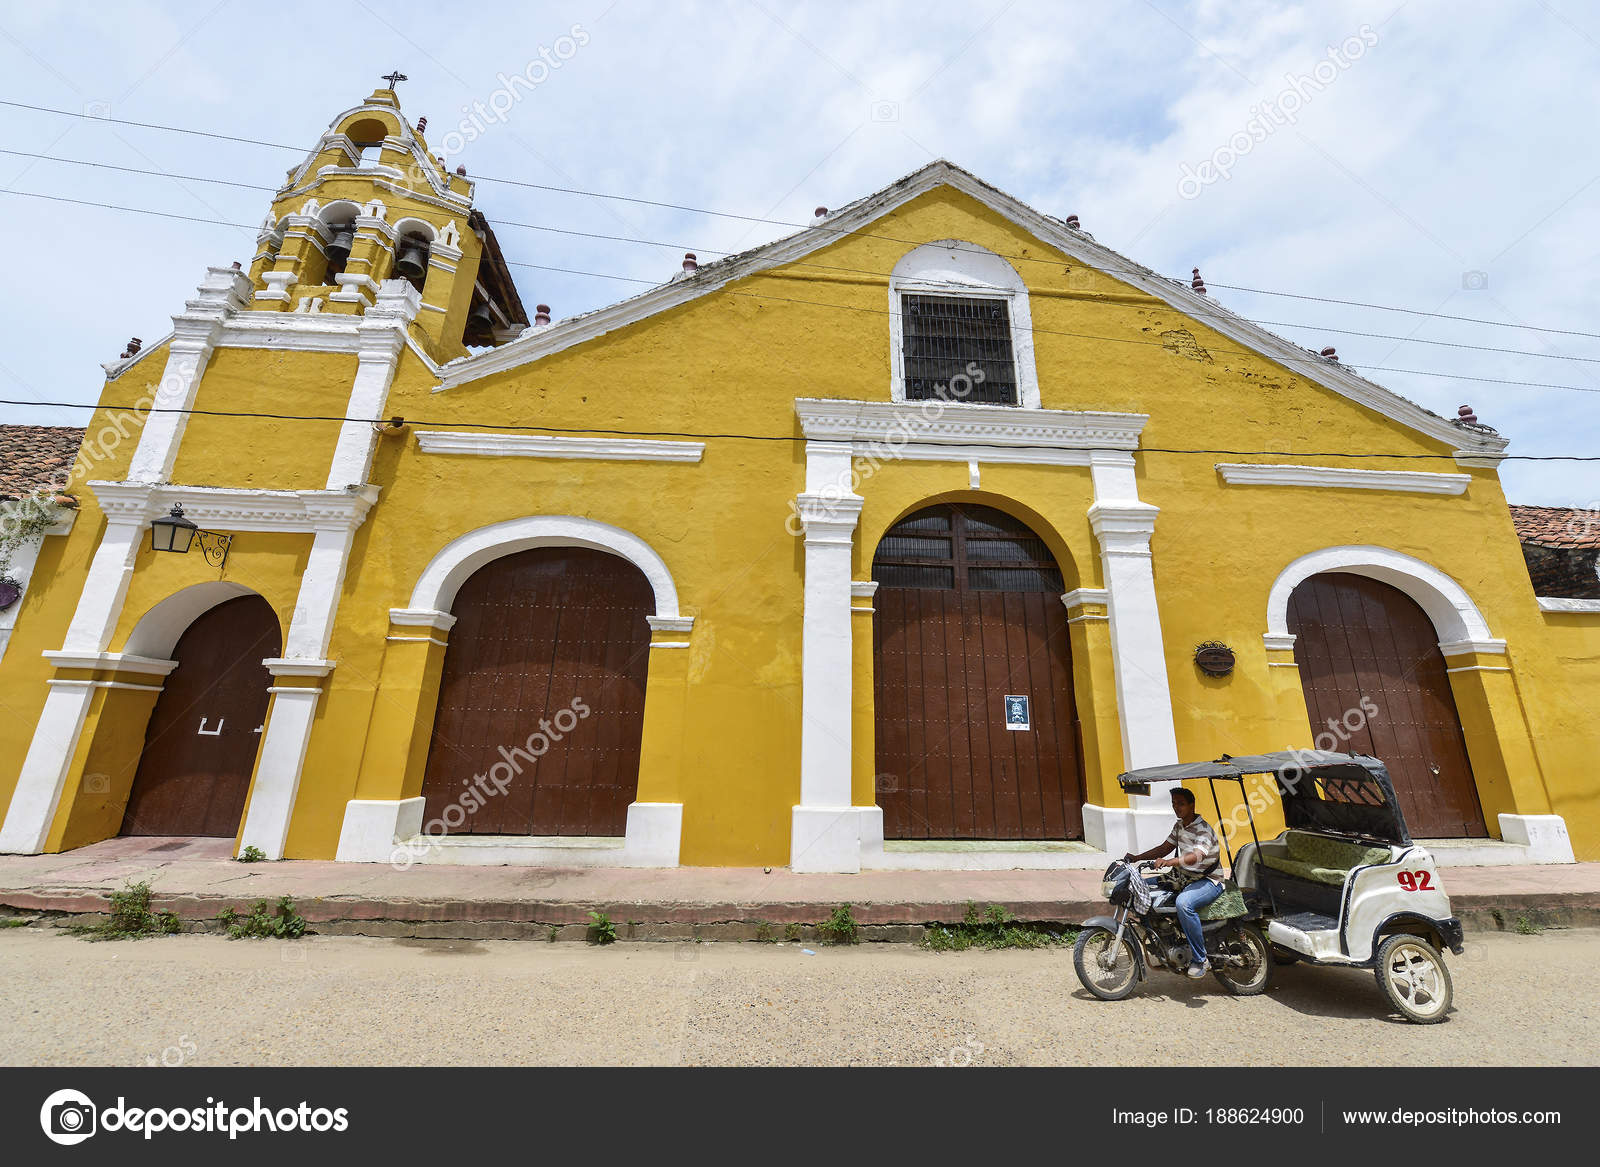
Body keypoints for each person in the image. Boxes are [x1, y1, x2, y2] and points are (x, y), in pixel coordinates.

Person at [1124, 786, 1226, 978]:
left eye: (1180, 804)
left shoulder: (1203, 829)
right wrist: (1136, 857)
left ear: (1191, 805)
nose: (1176, 808)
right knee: (1141, 888)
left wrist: (1170, 862)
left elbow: (1196, 856)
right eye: (1173, 804)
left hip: (1208, 880)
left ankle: (1200, 959)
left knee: (1184, 903)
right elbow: (1163, 848)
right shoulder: (1179, 826)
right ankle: (1161, 940)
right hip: (1183, 877)